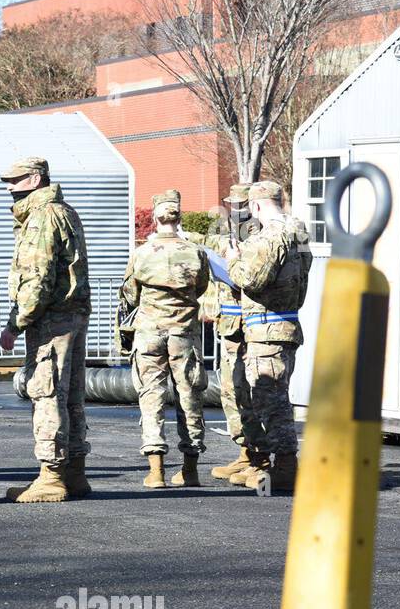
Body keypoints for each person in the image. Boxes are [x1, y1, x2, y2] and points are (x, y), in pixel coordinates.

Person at [0, 156, 91, 503]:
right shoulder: (64, 210)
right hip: (72, 315)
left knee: (48, 393)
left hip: (52, 319)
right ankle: (75, 473)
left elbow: (37, 278)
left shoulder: (42, 216)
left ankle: (52, 477)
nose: (10, 188)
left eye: (16, 180)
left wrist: (14, 324)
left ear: (35, 179)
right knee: (71, 396)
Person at [225, 180, 313, 493]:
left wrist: (233, 258)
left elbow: (252, 279)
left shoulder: (271, 235)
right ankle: (282, 464)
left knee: (271, 399)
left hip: (267, 328)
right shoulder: (299, 231)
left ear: (258, 205)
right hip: (285, 324)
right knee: (275, 397)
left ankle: (287, 467)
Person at [119, 190, 211, 488]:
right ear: (179, 216)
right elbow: (202, 287)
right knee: (189, 397)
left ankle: (156, 470)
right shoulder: (196, 252)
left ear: (155, 218)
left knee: (151, 398)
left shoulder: (142, 253)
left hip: (149, 334)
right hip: (183, 334)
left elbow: (129, 295)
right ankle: (190, 468)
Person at [203, 184, 265, 482]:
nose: (235, 210)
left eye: (241, 205)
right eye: (233, 205)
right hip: (230, 325)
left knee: (251, 391)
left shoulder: (259, 236)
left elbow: (251, 279)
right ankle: (245, 452)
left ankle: (260, 456)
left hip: (251, 325)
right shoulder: (231, 233)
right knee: (231, 392)